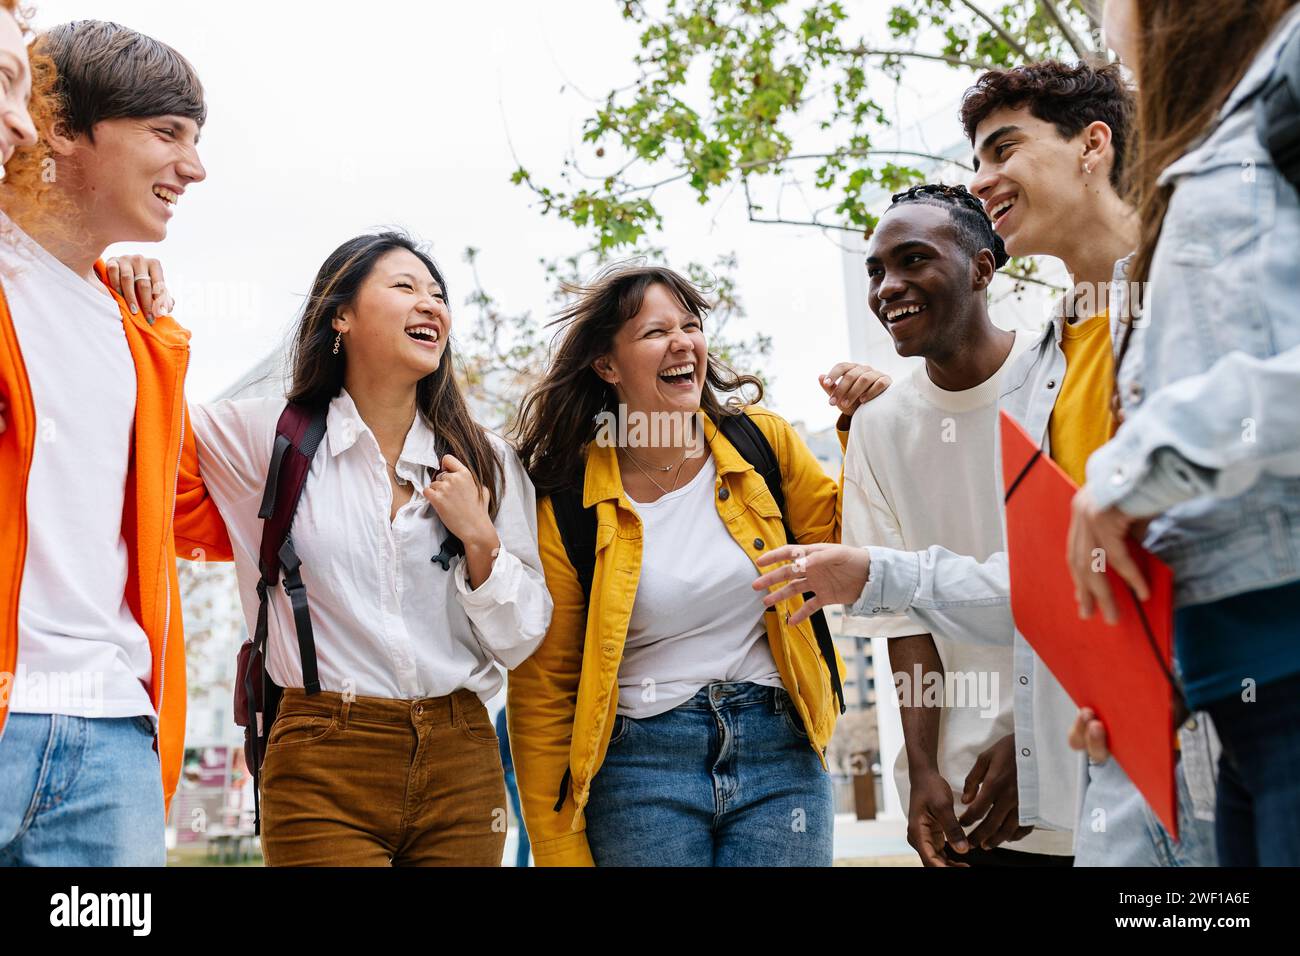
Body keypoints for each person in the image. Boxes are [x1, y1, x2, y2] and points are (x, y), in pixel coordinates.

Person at [755, 58, 1218, 867]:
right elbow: (1061, 583)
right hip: (1114, 758)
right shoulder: (1053, 363)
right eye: (976, 160)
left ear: (1094, 146)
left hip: (1219, 740)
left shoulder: (1192, 285)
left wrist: (877, 573)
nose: (984, 179)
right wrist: (1033, 742)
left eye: (1003, 150)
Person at [190, 231, 552, 866]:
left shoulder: (484, 459)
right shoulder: (264, 434)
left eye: (438, 294)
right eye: (405, 287)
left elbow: (521, 635)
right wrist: (121, 293)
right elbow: (138, 416)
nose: (431, 305)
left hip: (460, 753)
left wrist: (480, 537)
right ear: (341, 314)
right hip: (322, 753)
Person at [508, 263, 869, 867]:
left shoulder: (763, 444)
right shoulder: (568, 498)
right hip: (640, 767)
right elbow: (546, 686)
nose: (683, 342)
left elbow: (855, 547)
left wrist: (865, 426)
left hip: (780, 750)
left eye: (691, 325)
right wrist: (558, 845)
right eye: (655, 332)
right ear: (606, 364)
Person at [1069, 0, 1300, 867]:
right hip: (1231, 706)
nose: (1105, 23)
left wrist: (1135, 468)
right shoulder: (1225, 128)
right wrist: (1151, 668)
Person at [0, 19, 230, 867]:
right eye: (167, 133)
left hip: (114, 737)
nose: (194, 166)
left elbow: (194, 522)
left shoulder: (142, 333)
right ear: (61, 127)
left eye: (196, 139)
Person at [838, 182, 1071, 866]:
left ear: (981, 268)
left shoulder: (1059, 377)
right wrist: (920, 770)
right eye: (876, 270)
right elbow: (903, 617)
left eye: (913, 260)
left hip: (1091, 770)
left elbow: (1093, 581)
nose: (888, 286)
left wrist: (1038, 740)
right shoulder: (877, 429)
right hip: (968, 805)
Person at [495, 706, 530, 867]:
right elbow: (500, 745)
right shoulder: (505, 713)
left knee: (527, 825)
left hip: (525, 773)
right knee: (525, 825)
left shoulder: (513, 713)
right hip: (513, 773)